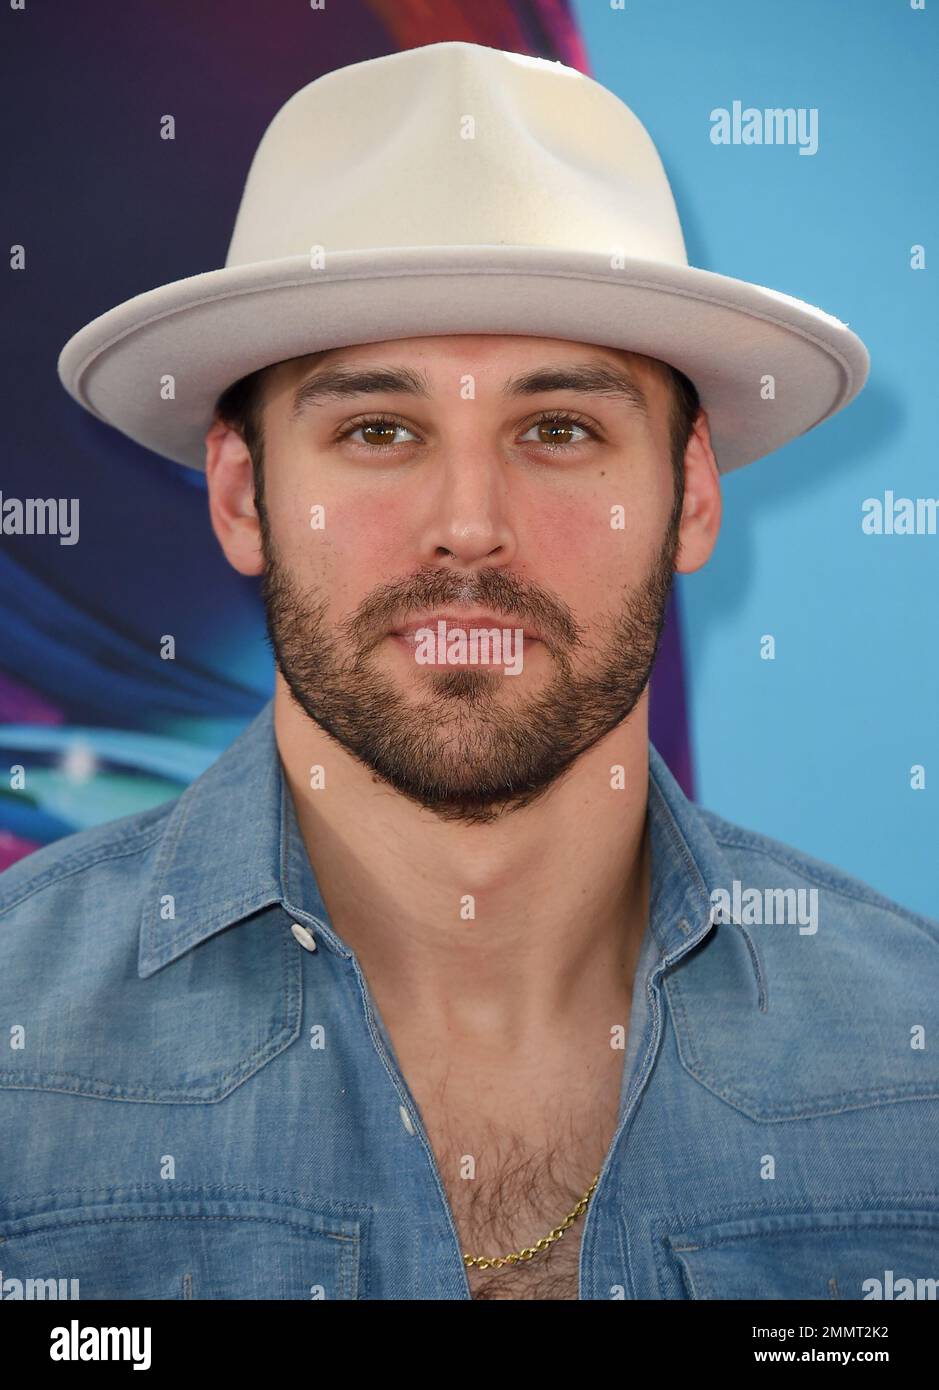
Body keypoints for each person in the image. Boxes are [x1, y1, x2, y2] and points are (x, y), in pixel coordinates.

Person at [3, 42, 938, 1303]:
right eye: (377, 430)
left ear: (694, 493)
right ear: (241, 494)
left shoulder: (913, 1068)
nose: (468, 523)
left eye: (559, 428)